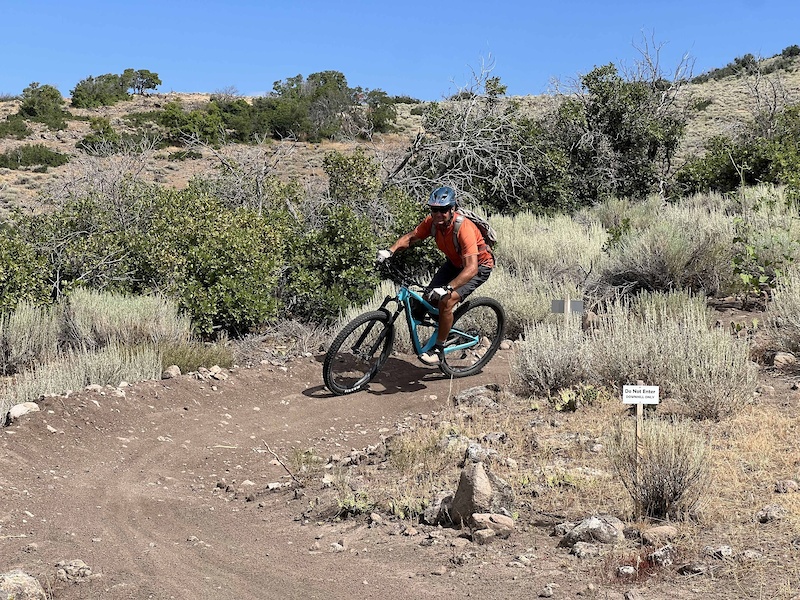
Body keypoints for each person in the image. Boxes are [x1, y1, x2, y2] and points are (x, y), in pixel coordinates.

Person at [376, 186, 494, 366]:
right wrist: (389, 251)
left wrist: (447, 288)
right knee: (426, 299)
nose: (438, 214)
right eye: (434, 209)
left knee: (446, 301)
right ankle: (446, 326)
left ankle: (439, 348)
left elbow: (471, 269)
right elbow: (411, 238)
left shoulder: (464, 229)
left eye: (443, 210)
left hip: (479, 266)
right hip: (455, 263)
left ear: (452, 209)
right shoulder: (432, 223)